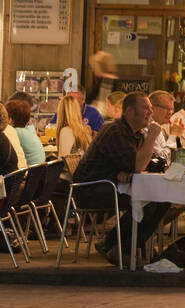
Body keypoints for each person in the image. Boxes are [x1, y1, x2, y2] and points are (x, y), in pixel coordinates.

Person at [71, 92, 168, 266]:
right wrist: (152, 137)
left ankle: (116, 246)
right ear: (129, 112)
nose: (150, 113)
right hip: (90, 189)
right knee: (148, 202)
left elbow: (139, 166)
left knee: (162, 199)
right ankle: (119, 247)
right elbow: (138, 165)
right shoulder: (115, 131)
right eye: (146, 109)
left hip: (113, 185)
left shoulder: (134, 134)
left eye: (151, 109)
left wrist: (130, 171)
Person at [5, 98, 46, 167]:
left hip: (28, 173)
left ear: (10, 120)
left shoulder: (15, 132)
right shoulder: (29, 130)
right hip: (39, 172)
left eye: (4, 116)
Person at [55, 95, 93, 161]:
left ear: (61, 112)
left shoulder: (66, 131)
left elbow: (65, 161)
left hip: (74, 170)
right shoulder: (84, 130)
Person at [147, 91, 176, 169]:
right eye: (167, 108)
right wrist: (173, 135)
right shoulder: (148, 126)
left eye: (172, 109)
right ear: (152, 108)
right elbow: (162, 158)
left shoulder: (157, 125)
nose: (171, 113)